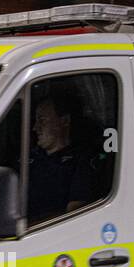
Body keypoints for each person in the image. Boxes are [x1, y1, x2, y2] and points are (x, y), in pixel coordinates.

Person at [27, 88, 105, 225]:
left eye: (42, 120)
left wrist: (29, 226)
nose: (35, 128)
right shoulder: (27, 159)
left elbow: (74, 214)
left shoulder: (82, 162)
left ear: (64, 121)